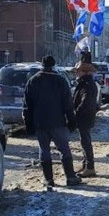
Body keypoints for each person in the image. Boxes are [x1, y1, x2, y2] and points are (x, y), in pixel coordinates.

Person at [23, 55, 83, 188]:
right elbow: (68, 103)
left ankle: (48, 180)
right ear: (54, 65)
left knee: (44, 150)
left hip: (40, 122)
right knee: (64, 149)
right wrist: (71, 120)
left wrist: (28, 124)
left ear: (42, 65)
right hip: (58, 121)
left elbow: (27, 105)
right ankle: (70, 177)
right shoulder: (60, 81)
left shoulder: (33, 81)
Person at [73, 60, 100, 178]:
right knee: (84, 141)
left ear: (84, 72)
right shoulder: (86, 83)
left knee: (86, 142)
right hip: (85, 116)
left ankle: (89, 167)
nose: (76, 73)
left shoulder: (87, 84)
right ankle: (86, 165)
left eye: (78, 71)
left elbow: (85, 102)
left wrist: (76, 112)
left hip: (84, 116)